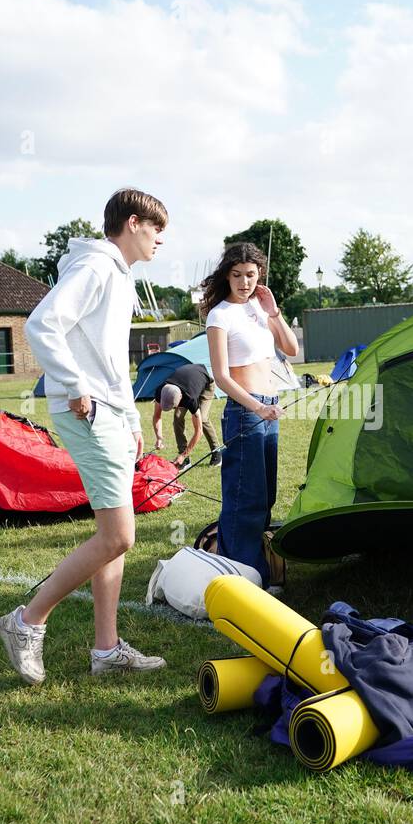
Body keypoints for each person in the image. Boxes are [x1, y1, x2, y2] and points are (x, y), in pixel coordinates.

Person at [0, 188, 169, 685]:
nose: (161, 241)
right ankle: (26, 622)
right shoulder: (95, 266)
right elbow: (42, 325)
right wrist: (74, 385)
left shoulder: (118, 274)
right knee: (119, 535)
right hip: (87, 411)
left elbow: (112, 360)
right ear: (134, 223)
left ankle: (106, 649)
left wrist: (134, 420)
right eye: (157, 230)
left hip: (111, 413)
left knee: (111, 539)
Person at [204, 242, 299, 587]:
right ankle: (246, 575)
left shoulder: (261, 310)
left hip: (269, 409)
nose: (244, 282)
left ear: (260, 276)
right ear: (226, 276)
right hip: (246, 412)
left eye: (250, 275)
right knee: (245, 496)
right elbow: (221, 376)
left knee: (265, 495)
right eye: (237, 275)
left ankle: (254, 568)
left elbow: (292, 349)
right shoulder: (220, 315)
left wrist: (273, 312)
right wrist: (257, 406)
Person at [153, 363, 220, 467]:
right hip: (186, 383)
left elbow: (199, 431)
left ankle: (216, 451)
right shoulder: (160, 390)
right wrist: (159, 438)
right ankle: (185, 458)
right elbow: (157, 416)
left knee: (202, 418)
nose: (175, 408)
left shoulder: (190, 398)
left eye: (175, 406)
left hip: (206, 384)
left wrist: (183, 455)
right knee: (177, 417)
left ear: (180, 398)